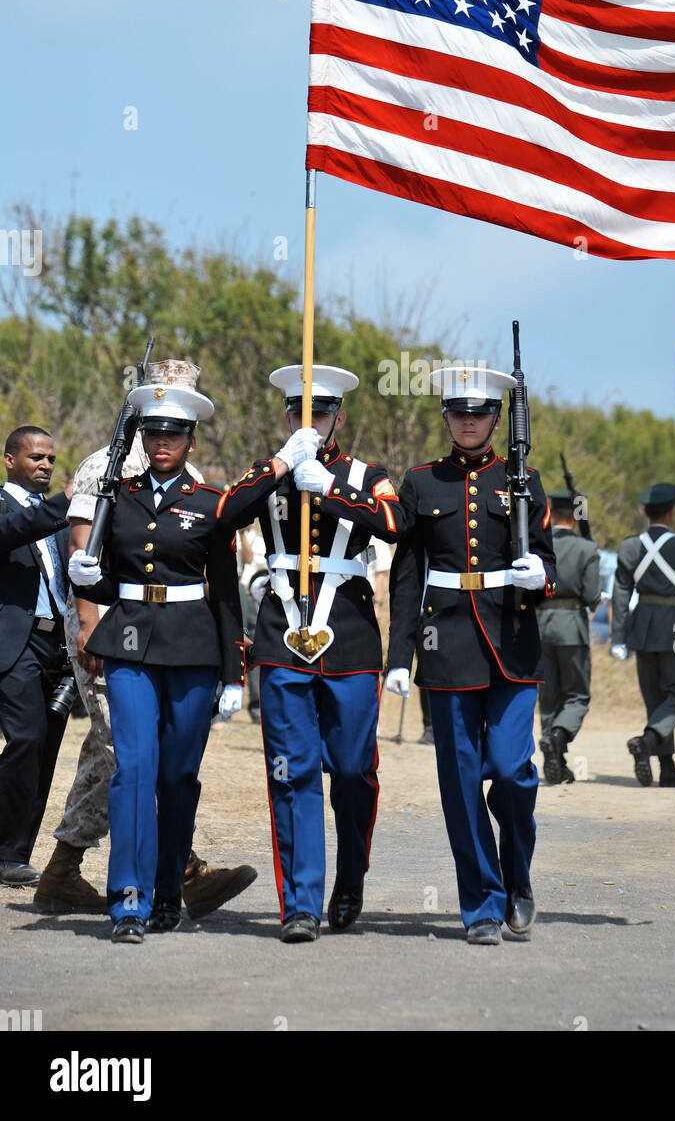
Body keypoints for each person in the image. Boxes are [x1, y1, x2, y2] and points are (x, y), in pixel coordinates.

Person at [33, 362, 257, 918]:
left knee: (171, 770)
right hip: (121, 636)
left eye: (176, 427)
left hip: (189, 645)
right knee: (129, 762)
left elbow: (221, 587)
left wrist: (234, 671)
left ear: (190, 432)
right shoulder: (105, 475)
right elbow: (94, 553)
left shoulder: (205, 491)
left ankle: (164, 881)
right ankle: (131, 893)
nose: (163, 438)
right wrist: (88, 607)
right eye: (155, 427)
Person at [226, 364, 405, 944]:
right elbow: (224, 513)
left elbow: (396, 524)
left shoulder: (365, 474)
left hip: (350, 638)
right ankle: (299, 902)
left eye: (321, 414)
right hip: (282, 635)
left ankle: (350, 877)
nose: (312, 424)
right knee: (292, 772)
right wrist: (282, 462)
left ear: (339, 417)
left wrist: (330, 490)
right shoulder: (272, 469)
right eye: (298, 414)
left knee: (353, 771)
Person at [386, 366, 556, 945]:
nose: (468, 422)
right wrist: (397, 656)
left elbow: (550, 564)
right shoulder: (420, 483)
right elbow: (406, 579)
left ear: (496, 420)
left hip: (510, 643)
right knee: (460, 784)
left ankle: (518, 880)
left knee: (512, 773)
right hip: (447, 642)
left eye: (479, 414)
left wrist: (541, 577)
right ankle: (480, 905)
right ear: (446, 418)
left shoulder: (525, 480)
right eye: (458, 413)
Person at [0, 427, 74, 886]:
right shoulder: (10, 510)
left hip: (58, 647)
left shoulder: (61, 522)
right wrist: (66, 501)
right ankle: (5, 848)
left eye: (51, 458)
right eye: (35, 457)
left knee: (44, 751)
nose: (45, 464)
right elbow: (13, 530)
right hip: (14, 645)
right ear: (10, 461)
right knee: (25, 739)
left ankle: (16, 855)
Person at [611, 483, 675, 788]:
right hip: (674, 624)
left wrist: (618, 637)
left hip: (642, 626)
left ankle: (668, 767)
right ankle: (647, 743)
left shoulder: (629, 546)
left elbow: (620, 594)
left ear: (645, 512)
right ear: (672, 511)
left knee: (655, 698)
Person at [537, 490, 601, 785]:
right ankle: (558, 736)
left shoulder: (539, 543)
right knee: (577, 695)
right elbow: (592, 596)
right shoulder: (586, 549)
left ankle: (556, 758)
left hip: (540, 625)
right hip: (572, 626)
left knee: (549, 696)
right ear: (576, 516)